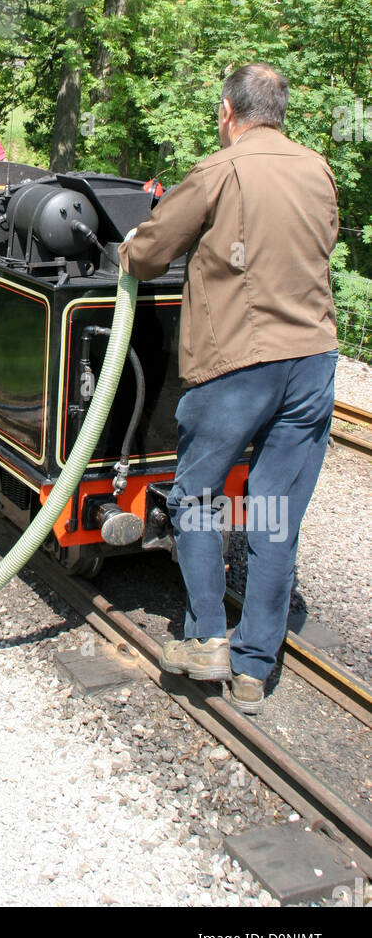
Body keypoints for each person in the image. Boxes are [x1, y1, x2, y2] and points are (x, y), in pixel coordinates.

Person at [117, 63, 339, 713]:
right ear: (279, 110)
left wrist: (132, 248)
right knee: (275, 513)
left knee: (192, 496)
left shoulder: (221, 170)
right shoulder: (318, 170)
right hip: (314, 363)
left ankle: (207, 637)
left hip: (240, 365)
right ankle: (253, 670)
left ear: (226, 111)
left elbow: (151, 251)